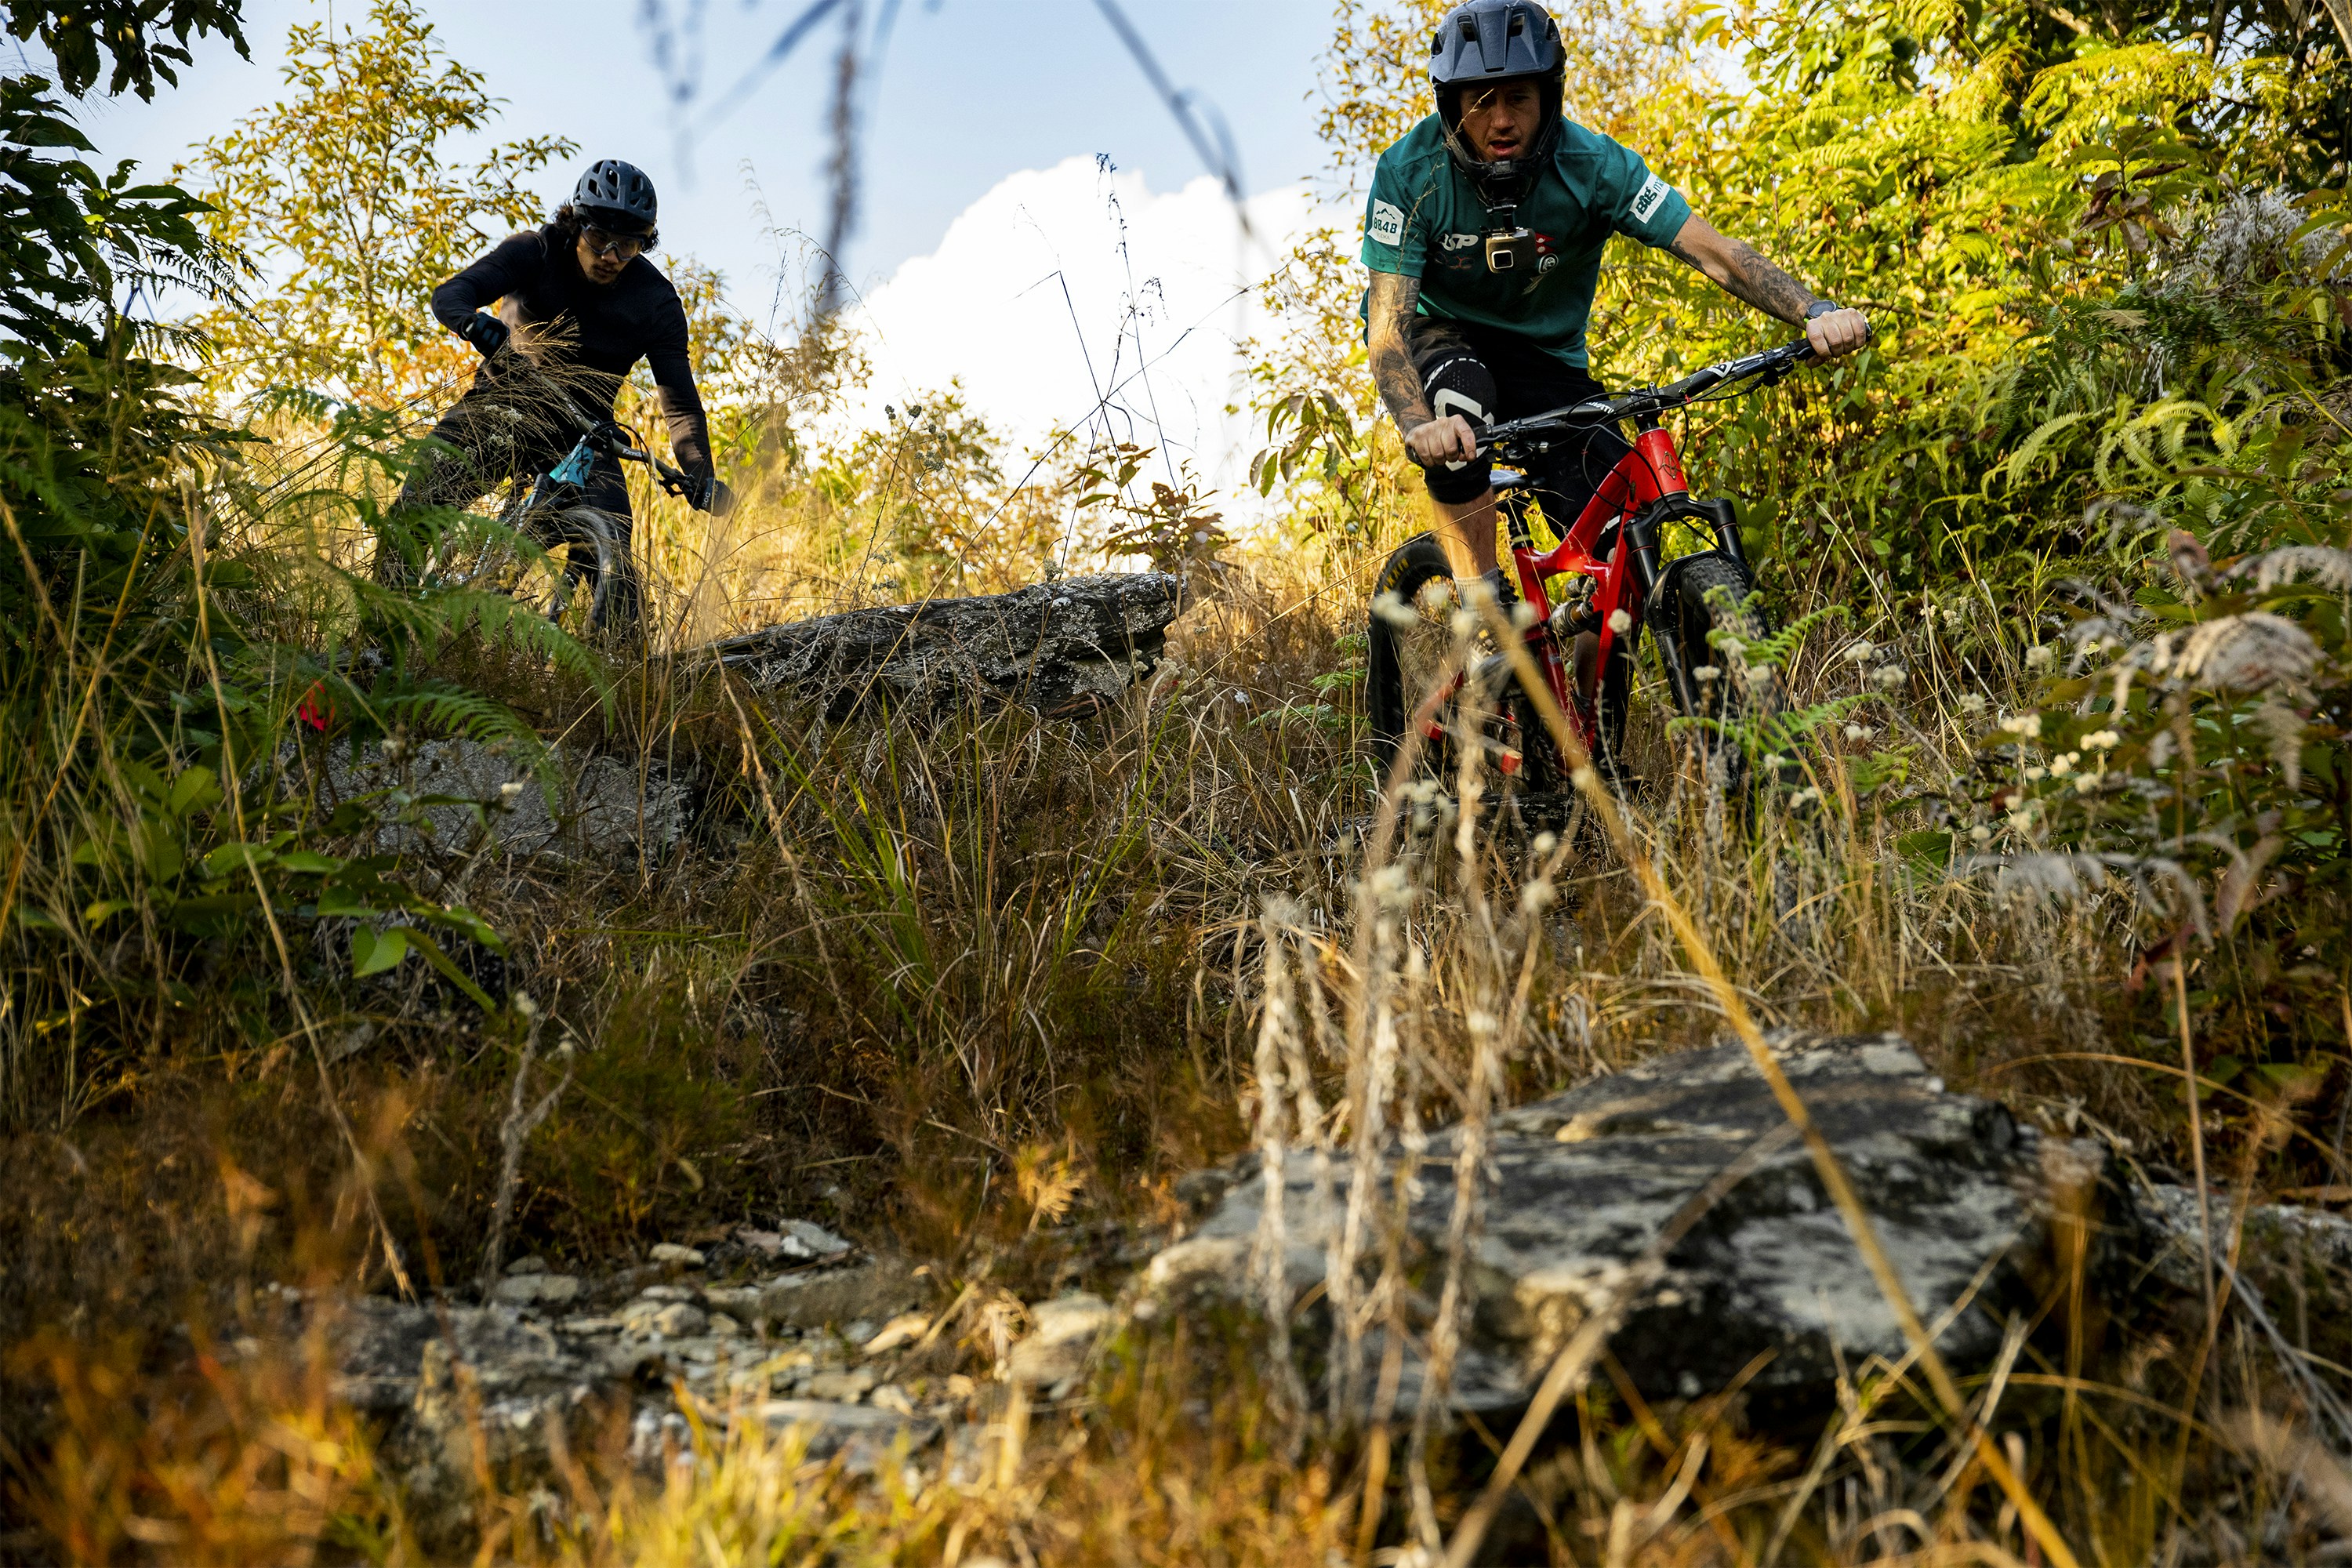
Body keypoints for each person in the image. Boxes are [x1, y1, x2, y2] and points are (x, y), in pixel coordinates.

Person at [1363, 0, 1870, 629]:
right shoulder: (1411, 173)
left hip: (1545, 358)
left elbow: (1715, 252)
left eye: (1518, 98)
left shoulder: (1596, 166)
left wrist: (1813, 310)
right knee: (1460, 403)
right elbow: (1387, 335)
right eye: (1481, 101)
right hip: (1439, 332)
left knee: (1615, 552)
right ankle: (1484, 620)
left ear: (1550, 97)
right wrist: (1419, 426)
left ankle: (1589, 679)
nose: (1501, 119)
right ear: (1452, 106)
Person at [380, 158, 731, 634]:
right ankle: (379, 638)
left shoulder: (656, 301)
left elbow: (681, 404)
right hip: (502, 405)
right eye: (599, 238)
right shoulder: (536, 251)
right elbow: (452, 294)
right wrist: (473, 322)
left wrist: (701, 476)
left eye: (627, 245)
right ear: (575, 223)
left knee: (616, 556)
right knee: (416, 508)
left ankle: (617, 665)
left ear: (644, 243)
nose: (610, 255)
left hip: (585, 435)